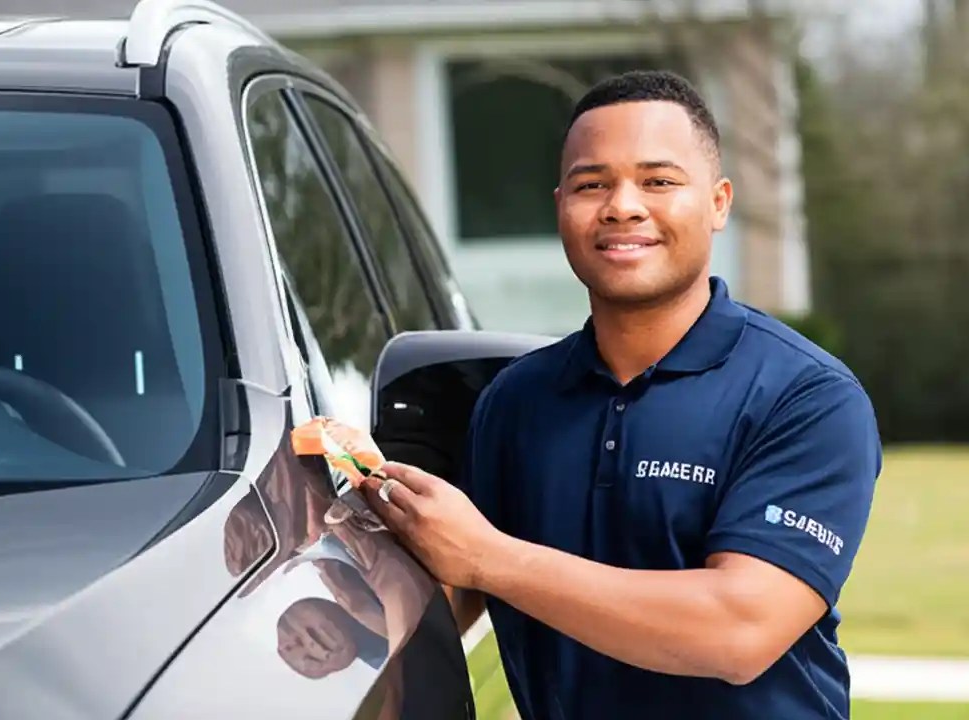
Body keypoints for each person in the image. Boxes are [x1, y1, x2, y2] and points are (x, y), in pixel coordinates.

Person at [361, 69, 882, 720]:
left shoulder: (805, 397)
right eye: (592, 184)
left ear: (719, 202)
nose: (622, 206)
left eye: (658, 181)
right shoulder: (514, 401)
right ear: (560, 207)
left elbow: (740, 630)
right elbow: (450, 591)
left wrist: (491, 559)